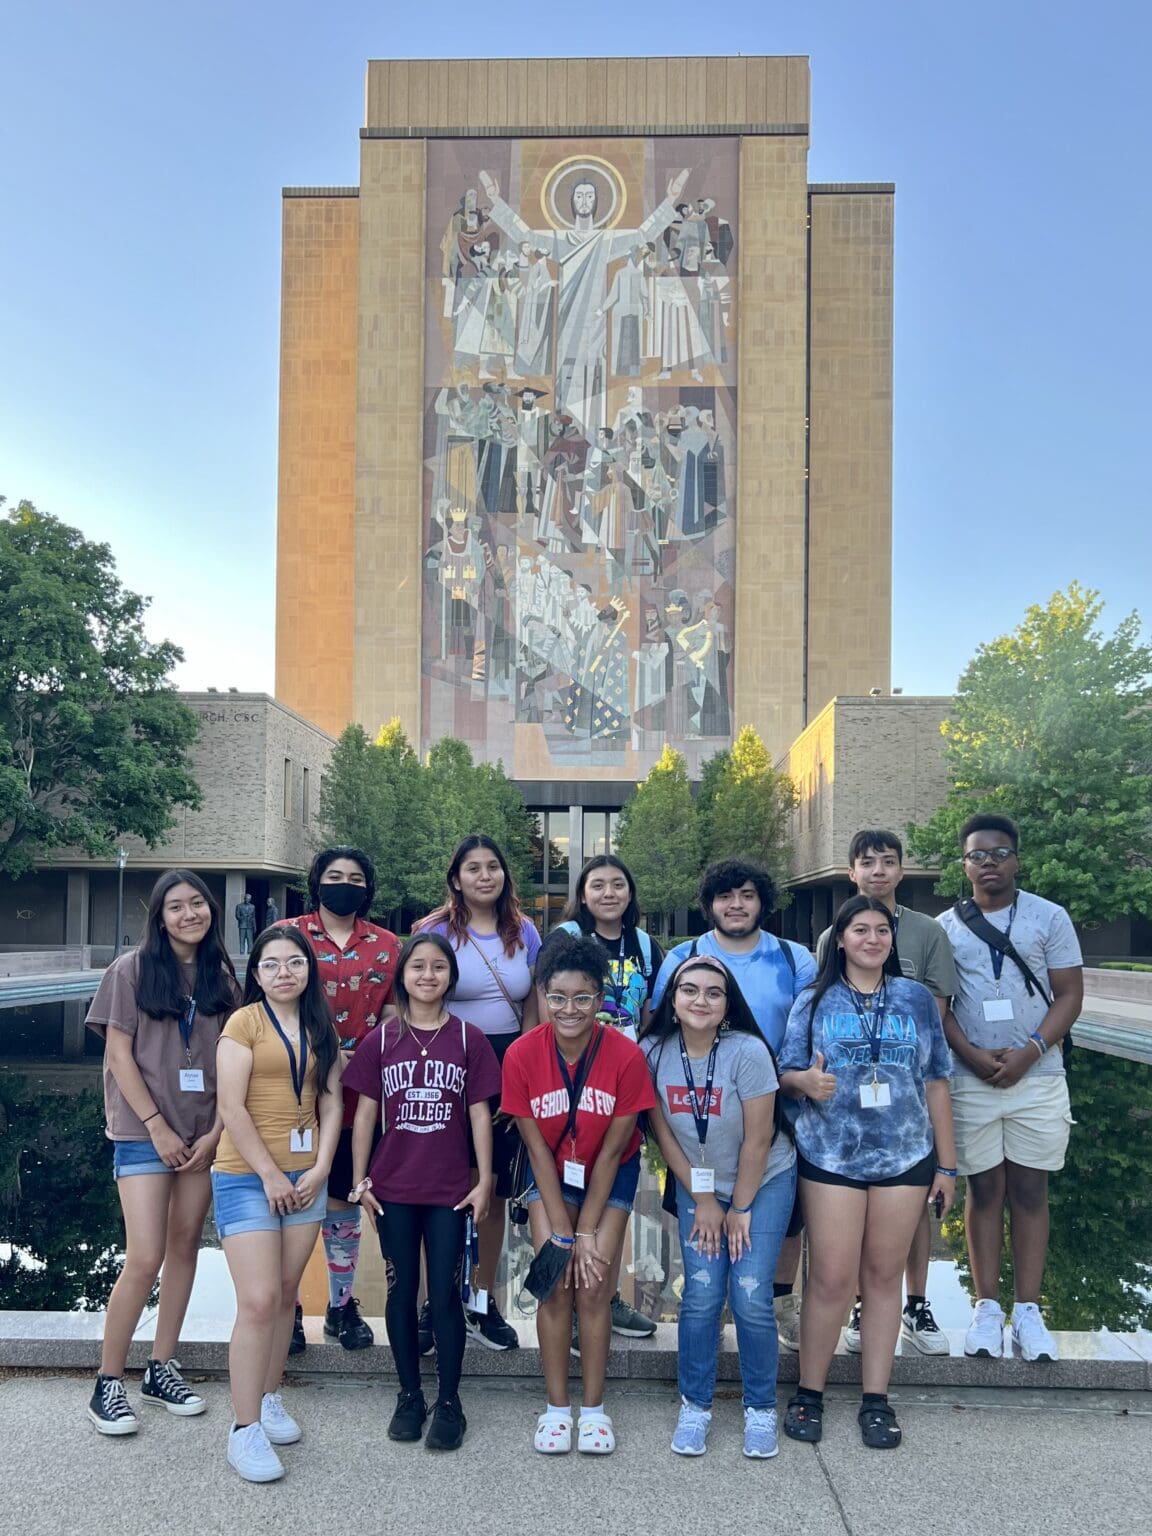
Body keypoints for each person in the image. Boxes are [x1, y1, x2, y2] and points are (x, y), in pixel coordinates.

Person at [778, 897, 956, 1449]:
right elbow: (784, 1072)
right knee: (831, 1278)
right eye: (860, 929)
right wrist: (805, 1082)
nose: (873, 938)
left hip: (904, 1156)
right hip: (831, 1156)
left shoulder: (916, 1000)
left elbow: (935, 1081)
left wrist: (947, 1165)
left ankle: (876, 1398)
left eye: (882, 930)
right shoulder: (812, 1000)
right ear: (841, 939)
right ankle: (810, 1393)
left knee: (883, 1278)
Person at [85, 870, 240, 1436]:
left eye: (197, 903)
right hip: (144, 1131)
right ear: (159, 916)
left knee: (184, 1249)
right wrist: (156, 1127)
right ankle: (108, 1380)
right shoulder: (128, 971)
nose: (189, 914)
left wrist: (219, 1130)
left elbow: (232, 1059)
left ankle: (160, 1366)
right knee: (145, 1255)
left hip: (203, 1133)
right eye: (176, 907)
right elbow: (119, 1057)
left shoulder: (221, 973)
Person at [343, 934, 502, 1451]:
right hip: (393, 1188)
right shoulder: (384, 1040)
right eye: (418, 966)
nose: (428, 975)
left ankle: (450, 1401)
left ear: (450, 977)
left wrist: (484, 1180)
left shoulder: (468, 1039)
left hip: (450, 1190)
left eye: (438, 967)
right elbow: (365, 1113)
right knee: (400, 1290)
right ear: (403, 975)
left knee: (447, 1293)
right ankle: (409, 1394)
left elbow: (481, 1112)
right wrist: (360, 1179)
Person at [651, 857, 816, 1351]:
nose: (737, 904)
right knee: (702, 1198)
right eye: (726, 896)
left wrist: (794, 1079)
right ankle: (713, 1292)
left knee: (784, 1215)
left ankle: (781, 1298)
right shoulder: (685, 957)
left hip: (782, 1100)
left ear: (762, 901)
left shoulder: (794, 958)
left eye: (747, 895)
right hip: (701, 1107)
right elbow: (660, 1027)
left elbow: (810, 1027)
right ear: (710, 906)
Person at [936, 813, 1083, 1363]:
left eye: (999, 853)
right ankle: (986, 1306)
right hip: (972, 1078)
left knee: (1029, 1191)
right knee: (984, 1191)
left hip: (1038, 1076)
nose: (989, 863)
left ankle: (1028, 1310)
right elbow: (941, 1010)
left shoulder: (1050, 917)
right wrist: (971, 1056)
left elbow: (1069, 995)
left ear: (1016, 859)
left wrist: (1031, 1051)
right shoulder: (946, 928)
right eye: (978, 855)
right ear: (964, 864)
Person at [501, 932, 655, 1455]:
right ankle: (555, 1410)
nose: (570, 1009)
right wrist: (562, 1233)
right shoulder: (522, 1055)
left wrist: (586, 1230)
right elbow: (535, 1146)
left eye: (583, 997)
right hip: (549, 1175)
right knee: (554, 1284)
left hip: (609, 1174)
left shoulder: (626, 1056)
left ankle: (593, 1411)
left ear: (600, 999)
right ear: (542, 994)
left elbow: (614, 1151)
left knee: (592, 1286)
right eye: (559, 997)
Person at [640, 954, 796, 1459]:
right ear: (673, 998)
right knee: (703, 1293)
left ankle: (760, 1407)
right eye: (690, 990)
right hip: (698, 1183)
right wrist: (704, 1200)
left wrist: (740, 1207)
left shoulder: (747, 1051)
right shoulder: (653, 1051)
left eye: (713, 992)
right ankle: (696, 1404)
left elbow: (759, 1139)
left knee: (750, 1294)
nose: (700, 1000)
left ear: (728, 1004)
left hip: (763, 1180)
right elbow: (662, 1132)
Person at [815, 830, 959, 1357]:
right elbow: (827, 1008)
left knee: (915, 1207)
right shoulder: (834, 935)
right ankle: (860, 1304)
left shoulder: (925, 932)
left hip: (908, 1091)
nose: (878, 870)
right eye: (867, 862)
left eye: (888, 862)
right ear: (851, 871)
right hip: (848, 1111)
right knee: (848, 1227)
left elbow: (934, 1015)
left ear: (901, 870)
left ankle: (915, 1302)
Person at [212, 925, 343, 1481]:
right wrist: (269, 1174)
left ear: (308, 968)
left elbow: (332, 1103)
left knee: (288, 1295)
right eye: (271, 964)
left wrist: (319, 1169)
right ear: (256, 972)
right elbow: (231, 1108)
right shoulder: (243, 1023)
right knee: (260, 1301)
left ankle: (267, 1397)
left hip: (305, 1177)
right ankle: (243, 1430)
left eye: (293, 962)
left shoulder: (320, 1025)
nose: (283, 972)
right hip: (246, 1175)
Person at [415, 834, 540, 1350]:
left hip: (507, 1065)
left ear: (505, 874)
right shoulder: (433, 930)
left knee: (491, 1187)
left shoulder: (525, 931)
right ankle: (431, 1300)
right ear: (456, 877)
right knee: (438, 1187)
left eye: (493, 866)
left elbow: (533, 1004)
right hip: (446, 1064)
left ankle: (480, 1299)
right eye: (473, 868)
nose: (484, 876)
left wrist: (529, 1069)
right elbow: (414, 997)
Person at [277, 848, 400, 1352]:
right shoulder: (289, 936)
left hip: (361, 1096)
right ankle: (288, 1306)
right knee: (291, 1196)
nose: (344, 884)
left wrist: (366, 1056)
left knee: (344, 1199)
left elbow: (395, 1013)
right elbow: (270, 1002)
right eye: (333, 877)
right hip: (294, 1088)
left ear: (367, 888)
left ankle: (341, 1305)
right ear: (316, 883)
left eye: (354, 878)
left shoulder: (389, 945)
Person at [547, 853, 663, 1341]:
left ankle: (605, 1295)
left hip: (624, 1078)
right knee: (571, 1187)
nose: (609, 893)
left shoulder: (645, 944)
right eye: (598, 885)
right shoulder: (565, 939)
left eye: (618, 884)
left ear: (631, 892)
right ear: (583, 893)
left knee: (617, 1183)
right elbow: (546, 1006)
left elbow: (654, 1010)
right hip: (573, 1076)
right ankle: (571, 1305)